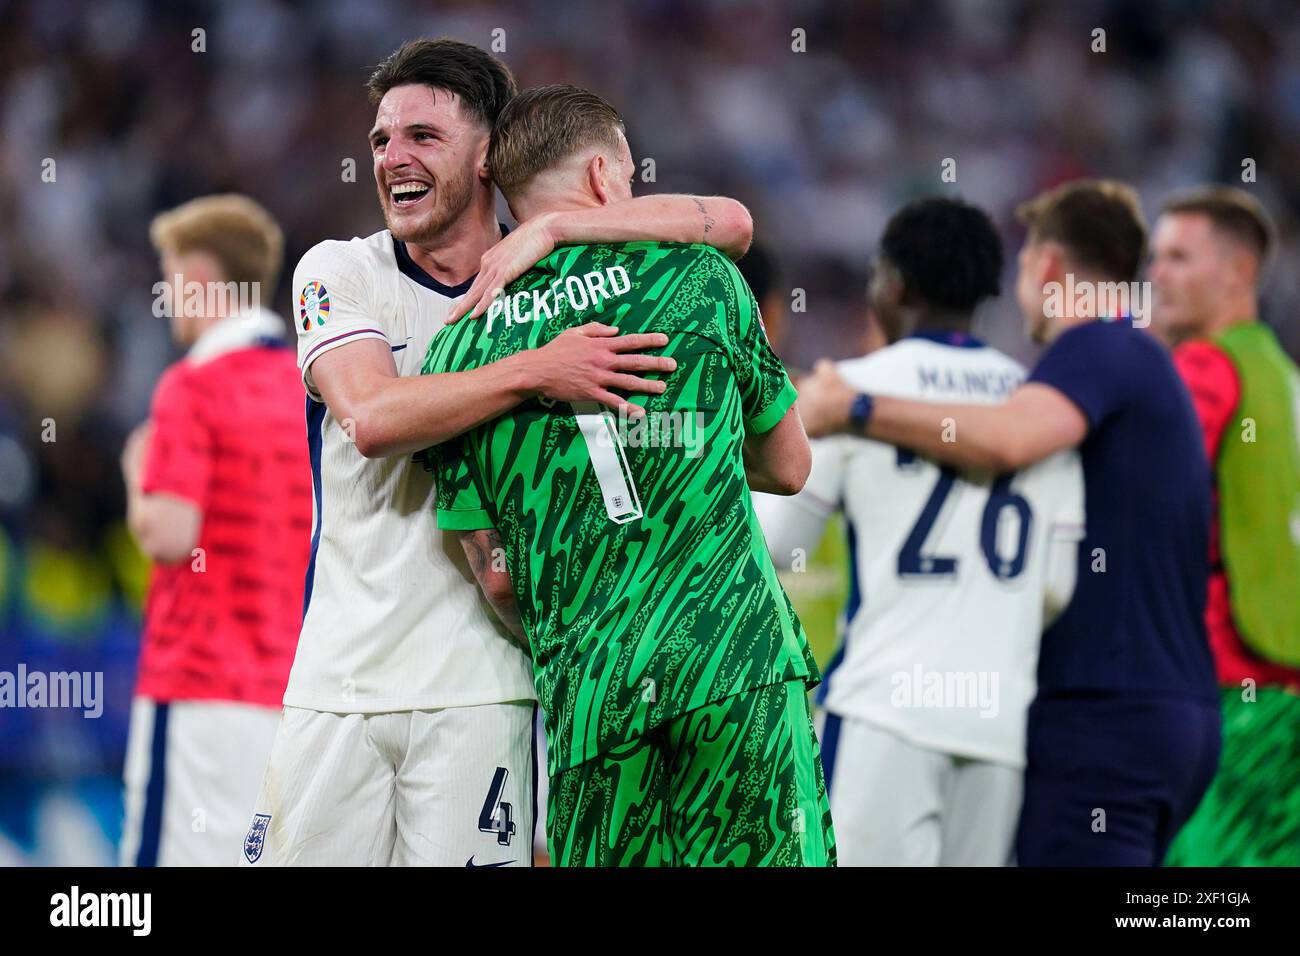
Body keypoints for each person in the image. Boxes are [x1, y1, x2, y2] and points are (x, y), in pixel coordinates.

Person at [244, 38, 756, 867]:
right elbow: (370, 415)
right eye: (380, 139)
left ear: (488, 159)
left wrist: (556, 227)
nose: (392, 158)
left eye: (422, 137)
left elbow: (729, 224)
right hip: (341, 684)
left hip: (486, 688)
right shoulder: (340, 270)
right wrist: (537, 372)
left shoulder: (551, 282)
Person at [423, 84, 833, 867]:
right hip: (734, 660)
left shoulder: (462, 346)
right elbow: (789, 465)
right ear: (609, 178)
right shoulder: (702, 281)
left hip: (594, 689)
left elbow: (498, 580)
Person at [797, 179, 1220, 865]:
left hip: (1064, 715)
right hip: (1066, 721)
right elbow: (1053, 583)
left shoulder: (1086, 361)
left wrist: (853, 406)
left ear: (1047, 265)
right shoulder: (1090, 378)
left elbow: (1004, 442)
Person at [756, 197, 1084, 865]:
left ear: (894, 283)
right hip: (999, 725)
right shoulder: (1039, 405)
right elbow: (1056, 586)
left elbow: (774, 544)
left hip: (886, 713)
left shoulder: (845, 390)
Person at [119, 195, 311, 866]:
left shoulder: (192, 386)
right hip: (288, 701)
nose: (166, 297)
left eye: (168, 277)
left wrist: (137, 475)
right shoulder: (308, 390)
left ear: (199, 277)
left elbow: (170, 535)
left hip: (199, 688)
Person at [1149, 186, 1300, 866]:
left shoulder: (1207, 366)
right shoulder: (1282, 375)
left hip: (1225, 674)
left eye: (1180, 257)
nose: (1159, 275)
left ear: (1238, 272)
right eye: (1156, 258)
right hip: (1284, 682)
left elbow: (1136, 489)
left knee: (1199, 889)